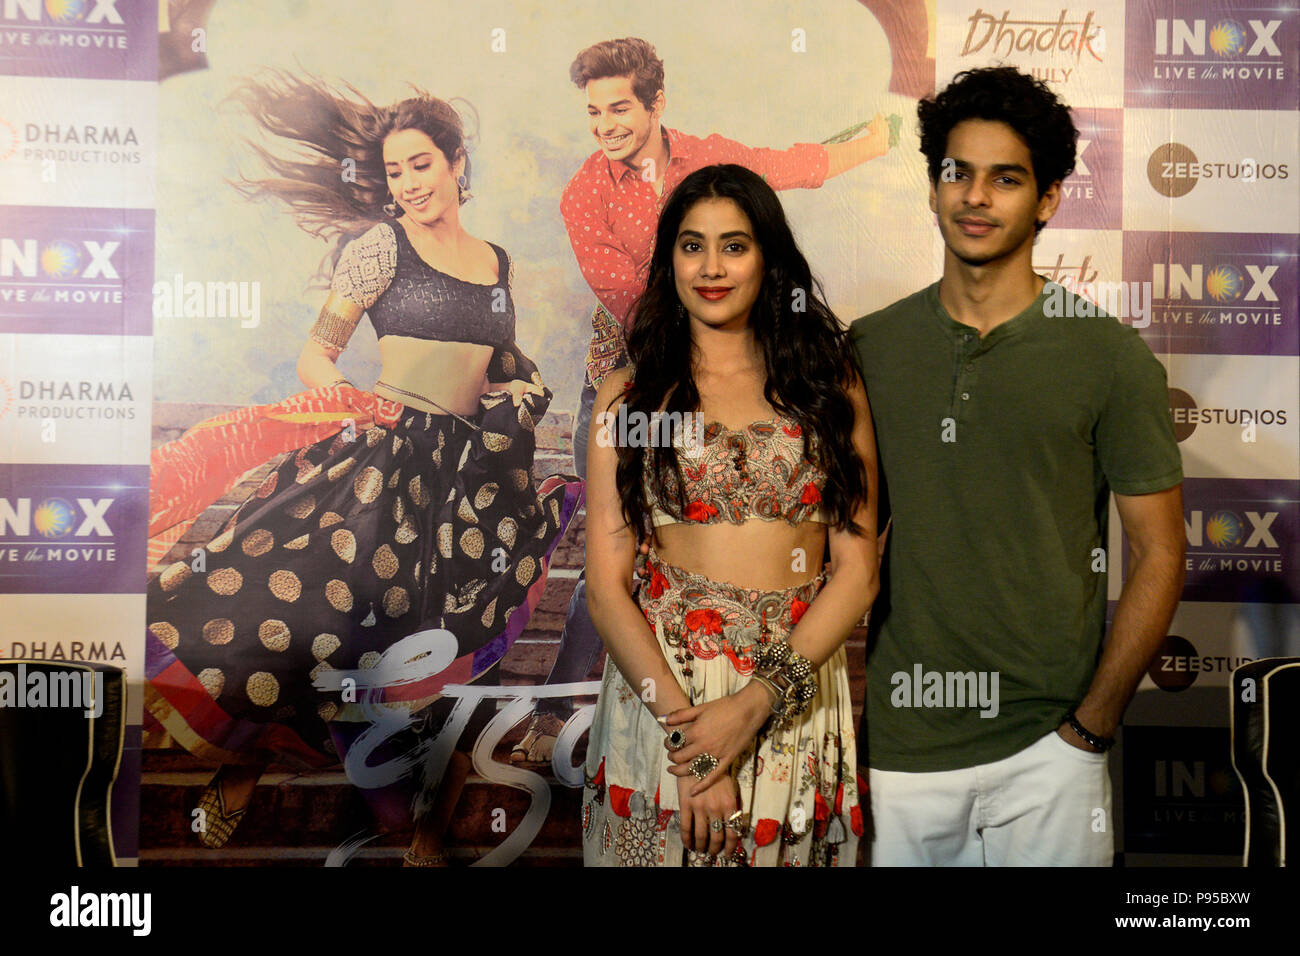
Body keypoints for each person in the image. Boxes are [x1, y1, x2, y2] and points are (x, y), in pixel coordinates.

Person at [144, 72, 581, 865]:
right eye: (395, 172)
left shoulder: (495, 262)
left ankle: (412, 825)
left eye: (422, 164)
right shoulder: (380, 248)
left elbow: (493, 365)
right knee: (307, 621)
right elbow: (317, 353)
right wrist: (347, 398)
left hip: (458, 486)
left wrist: (519, 384)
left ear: (455, 163)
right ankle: (248, 757)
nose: (409, 184)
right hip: (377, 468)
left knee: (409, 651)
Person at [512, 36, 892, 763]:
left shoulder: (710, 159)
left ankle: (752, 691)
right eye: (593, 113)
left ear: (657, 103)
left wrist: (872, 143)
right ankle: (560, 705)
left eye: (619, 107)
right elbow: (634, 300)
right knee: (618, 564)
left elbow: (788, 169)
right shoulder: (585, 194)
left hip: (747, 365)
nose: (606, 125)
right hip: (640, 369)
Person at [849, 66, 1185, 866]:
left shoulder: (1108, 355)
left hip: (1052, 748)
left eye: (1006, 178)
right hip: (907, 743)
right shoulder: (869, 347)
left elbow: (1162, 551)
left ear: (1047, 199)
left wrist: (1091, 725)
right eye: (957, 172)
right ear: (932, 188)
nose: (975, 197)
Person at [581, 163, 879, 866]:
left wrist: (756, 702)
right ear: (669, 260)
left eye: (735, 245)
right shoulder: (632, 399)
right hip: (667, 696)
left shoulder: (825, 384)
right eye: (692, 245)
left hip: (790, 691)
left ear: (770, 259)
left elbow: (857, 572)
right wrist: (687, 743)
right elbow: (605, 588)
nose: (711, 267)